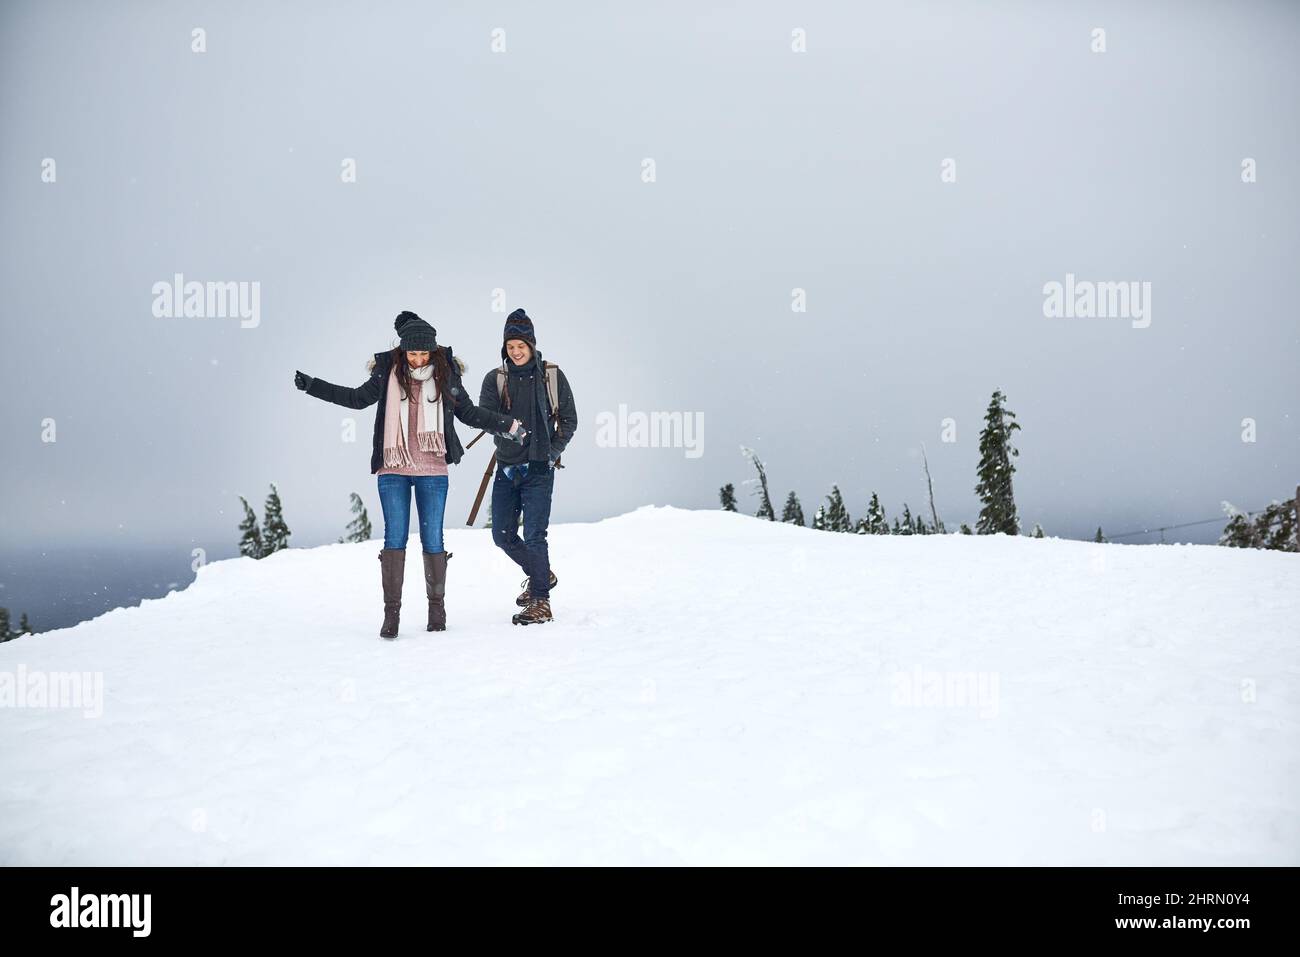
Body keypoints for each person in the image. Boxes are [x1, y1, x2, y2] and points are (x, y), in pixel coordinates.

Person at [294, 311, 526, 639]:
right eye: (412, 353)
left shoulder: (446, 376)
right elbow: (356, 399)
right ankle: (392, 615)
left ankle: (437, 609)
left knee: (433, 539)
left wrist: (508, 424)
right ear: (402, 351)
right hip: (393, 469)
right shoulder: (387, 372)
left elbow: (469, 413)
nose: (418, 360)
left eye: (423, 353)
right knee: (395, 538)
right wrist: (313, 386)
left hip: (433, 469)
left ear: (432, 351)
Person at [478, 308, 577, 625]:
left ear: (532, 345)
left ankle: (540, 602)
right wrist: (507, 426)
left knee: (535, 535)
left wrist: (552, 452)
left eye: (521, 345)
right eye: (510, 346)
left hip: (538, 468)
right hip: (506, 468)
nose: (516, 351)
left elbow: (569, 421)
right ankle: (540, 574)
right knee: (502, 535)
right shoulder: (495, 379)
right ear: (504, 348)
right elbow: (485, 418)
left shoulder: (551, 376)